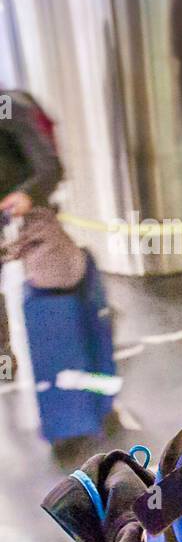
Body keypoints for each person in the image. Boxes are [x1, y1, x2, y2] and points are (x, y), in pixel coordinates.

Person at [0, 88, 65, 373]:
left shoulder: (8, 106)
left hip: (24, 214)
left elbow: (50, 167)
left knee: (55, 288)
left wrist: (28, 194)